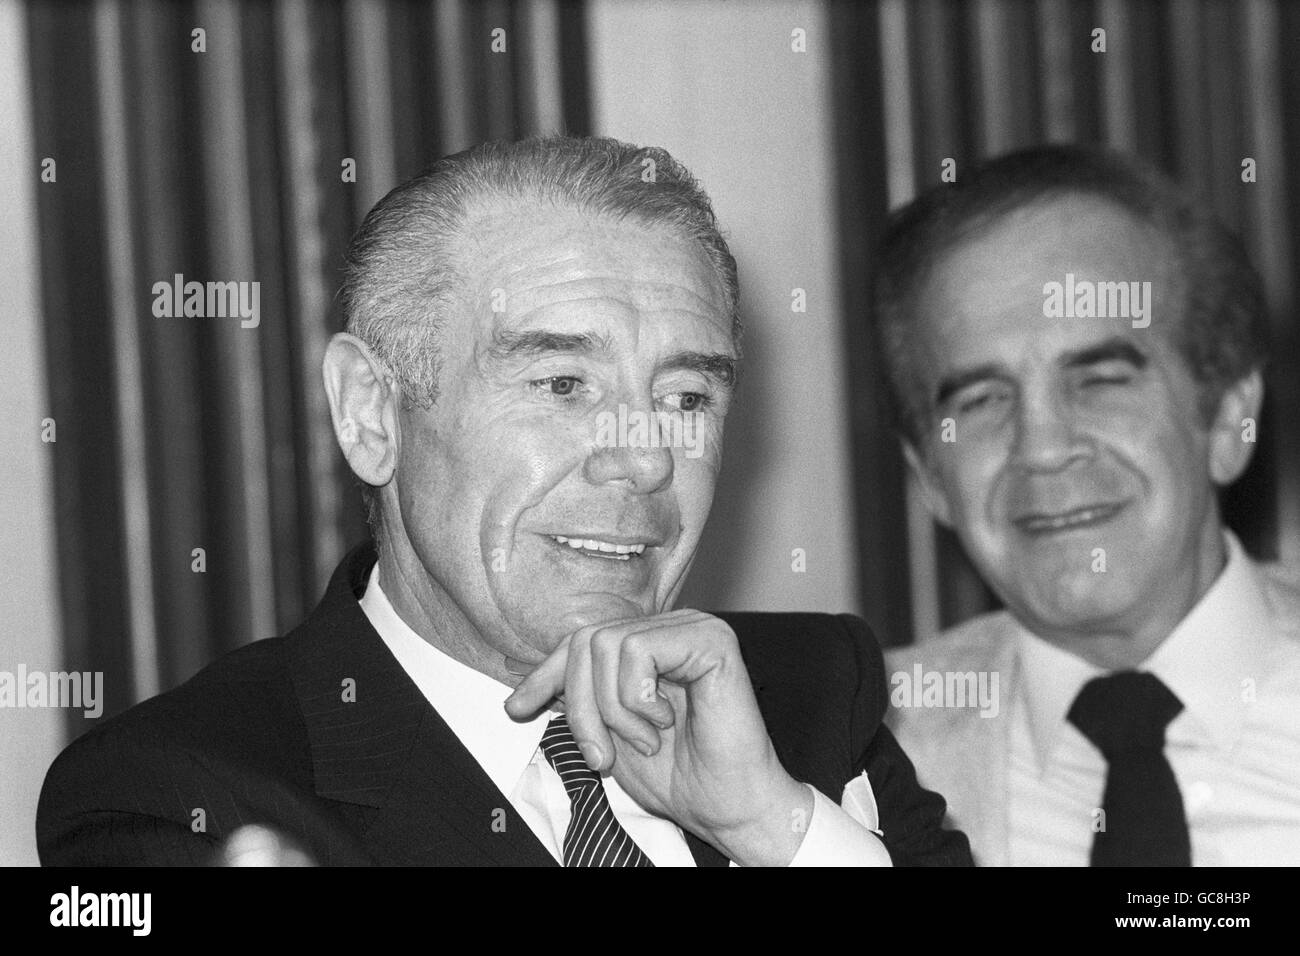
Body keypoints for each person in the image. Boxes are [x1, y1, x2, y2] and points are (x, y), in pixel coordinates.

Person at [38, 135, 970, 867]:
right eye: (562, 385)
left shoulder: (811, 696)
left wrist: (776, 830)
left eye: (687, 398)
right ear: (371, 414)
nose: (645, 461)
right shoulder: (176, 793)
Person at [878, 144, 1300, 866]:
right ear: (931, 476)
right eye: (982, 400)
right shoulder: (858, 750)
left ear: (1231, 418)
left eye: (1100, 380)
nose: (1042, 448)